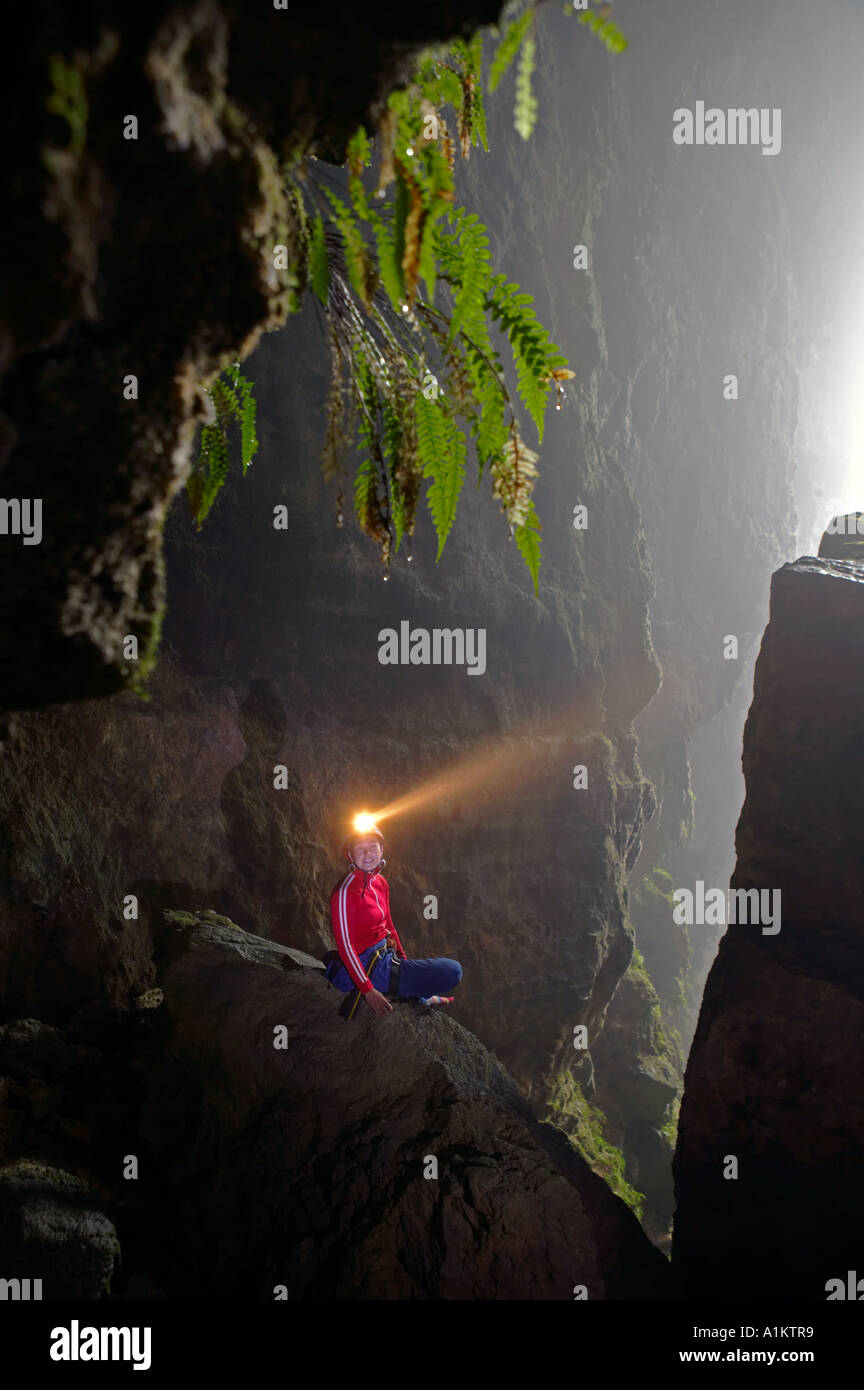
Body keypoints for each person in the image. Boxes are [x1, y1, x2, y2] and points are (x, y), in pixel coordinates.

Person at [325, 822, 462, 1016]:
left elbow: (389, 925)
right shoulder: (345, 893)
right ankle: (419, 995)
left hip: (387, 957)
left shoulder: (380, 882)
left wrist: (403, 961)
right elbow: (346, 947)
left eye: (373, 846)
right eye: (360, 848)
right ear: (350, 854)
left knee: (426, 972)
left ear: (382, 850)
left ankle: (415, 992)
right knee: (453, 971)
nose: (367, 853)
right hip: (368, 965)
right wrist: (368, 991)